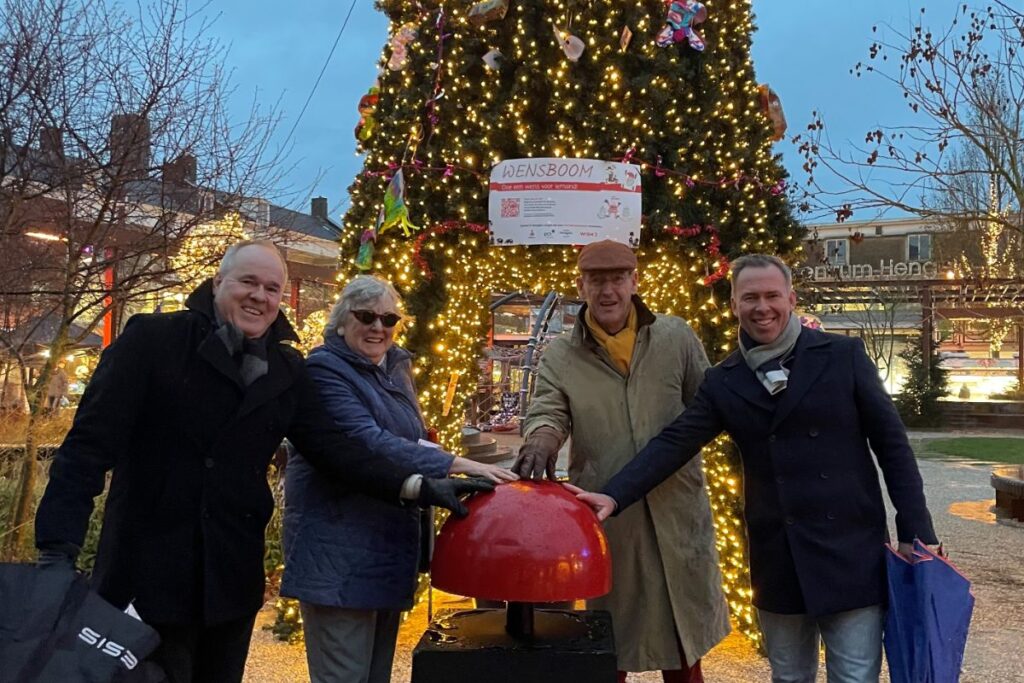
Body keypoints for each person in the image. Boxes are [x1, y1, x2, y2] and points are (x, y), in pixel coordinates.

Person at [34, 240, 492, 683]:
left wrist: (419, 485)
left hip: (230, 578)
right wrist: (57, 550)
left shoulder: (285, 367)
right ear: (218, 283)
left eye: (272, 288)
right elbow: (87, 449)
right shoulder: (153, 341)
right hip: (148, 573)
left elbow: (336, 450)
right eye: (248, 282)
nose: (260, 296)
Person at [571, 254, 941, 683]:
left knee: (855, 676)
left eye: (771, 296)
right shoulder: (726, 380)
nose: (762, 307)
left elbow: (893, 448)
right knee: (788, 676)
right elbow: (674, 443)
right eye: (750, 298)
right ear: (734, 304)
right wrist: (614, 495)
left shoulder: (842, 356)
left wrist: (918, 533)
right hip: (779, 555)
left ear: (791, 299)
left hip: (850, 551)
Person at [281, 275, 517, 683]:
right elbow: (368, 442)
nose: (378, 326)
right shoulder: (324, 371)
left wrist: (455, 463)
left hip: (386, 550)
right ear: (341, 321)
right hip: (339, 557)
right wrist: (458, 463)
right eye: (366, 316)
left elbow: (412, 441)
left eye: (388, 318)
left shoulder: (392, 369)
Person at [513, 240, 729, 683]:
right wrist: (542, 438)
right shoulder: (561, 355)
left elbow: (708, 407)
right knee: (608, 643)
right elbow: (548, 409)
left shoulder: (675, 336)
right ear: (581, 286)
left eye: (616, 279)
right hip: (607, 514)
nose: (607, 290)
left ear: (634, 281)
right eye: (596, 280)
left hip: (675, 509)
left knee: (682, 641)